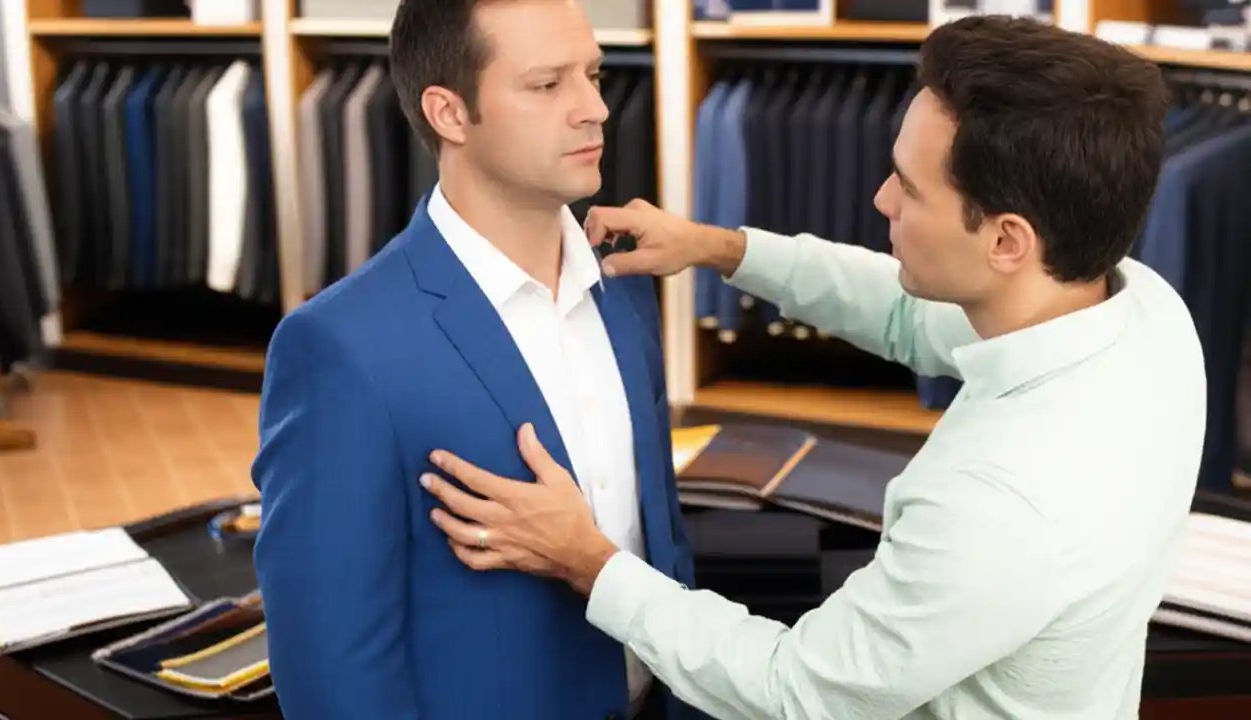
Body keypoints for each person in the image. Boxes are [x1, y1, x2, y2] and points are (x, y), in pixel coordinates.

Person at [419, 15, 1208, 720]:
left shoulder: (998, 508)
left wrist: (589, 560)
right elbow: (907, 312)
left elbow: (799, 690)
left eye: (909, 188)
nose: (878, 200)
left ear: (1006, 240)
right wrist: (720, 249)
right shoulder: (1144, 312)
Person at [250, 1, 698, 718]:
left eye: (593, 74)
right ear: (450, 113)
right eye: (548, 85)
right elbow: (332, 667)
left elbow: (660, 539)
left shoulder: (625, 288)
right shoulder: (341, 347)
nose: (595, 109)